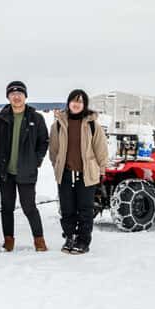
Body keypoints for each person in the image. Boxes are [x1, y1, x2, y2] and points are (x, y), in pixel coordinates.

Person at [49, 89, 109, 254]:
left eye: (80, 101)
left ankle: (83, 241)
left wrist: (102, 170)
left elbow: (101, 149)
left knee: (85, 209)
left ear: (84, 105)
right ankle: (69, 237)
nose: (76, 104)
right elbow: (53, 150)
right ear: (69, 103)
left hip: (86, 174)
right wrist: (58, 165)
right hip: (66, 174)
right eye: (74, 101)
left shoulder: (92, 125)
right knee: (67, 208)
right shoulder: (58, 125)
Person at [0, 81, 49, 252]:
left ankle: (39, 240)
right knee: (7, 207)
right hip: (6, 172)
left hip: (26, 171)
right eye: (12, 93)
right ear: (8, 97)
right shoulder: (1, 118)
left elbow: (43, 142)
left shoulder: (35, 118)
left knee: (29, 207)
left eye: (20, 93)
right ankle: (8, 240)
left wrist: (36, 160)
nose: (16, 97)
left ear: (25, 96)